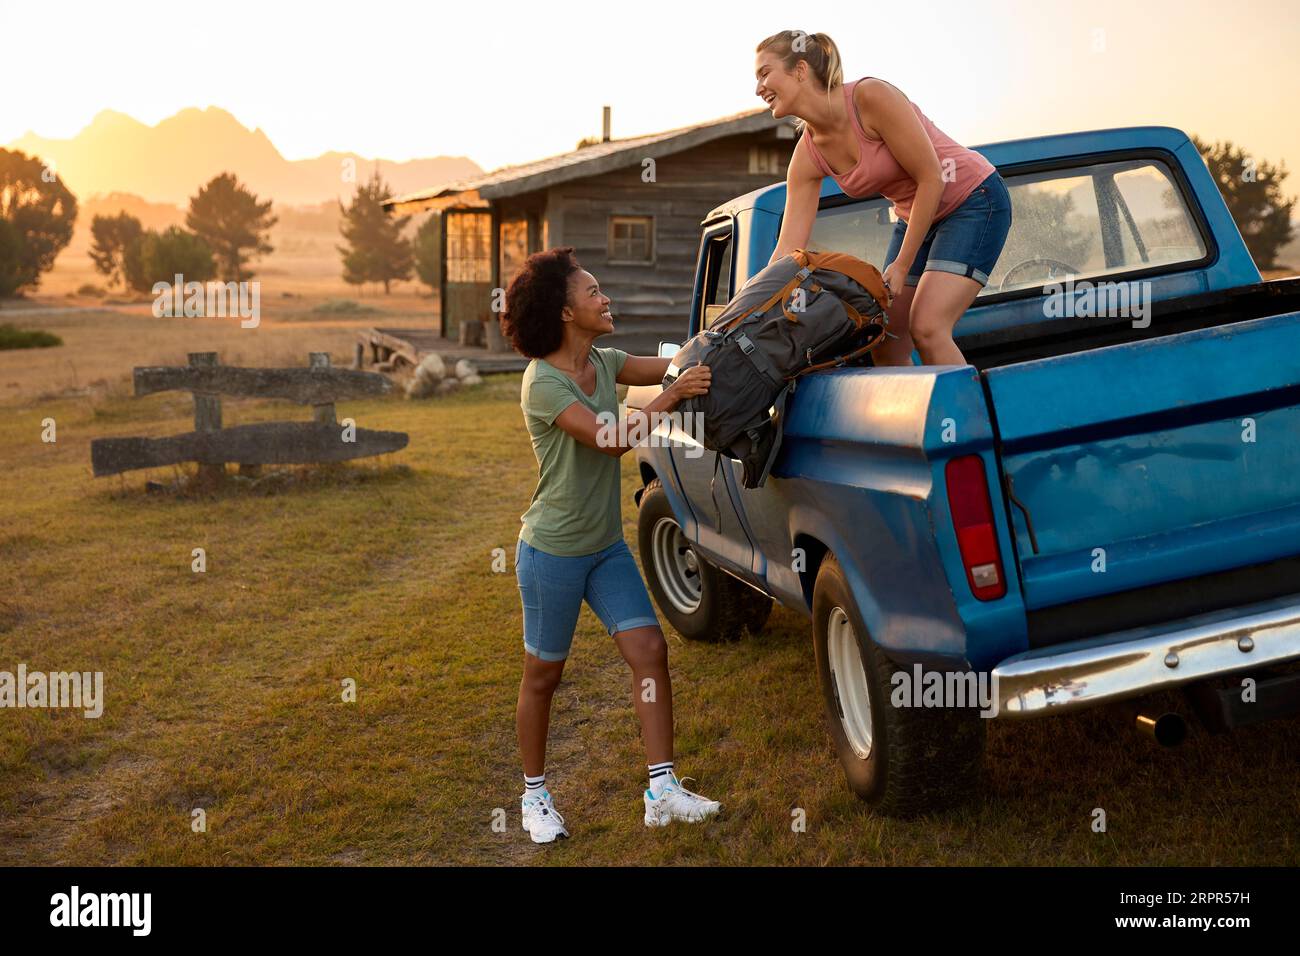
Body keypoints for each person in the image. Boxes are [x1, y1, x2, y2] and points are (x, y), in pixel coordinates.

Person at [502, 246, 723, 843]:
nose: (606, 299)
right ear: (564, 310)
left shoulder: (605, 361)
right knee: (544, 676)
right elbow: (609, 438)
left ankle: (662, 790)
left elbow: (674, 363)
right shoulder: (542, 383)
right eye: (594, 292)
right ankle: (534, 796)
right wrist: (672, 398)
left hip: (605, 548)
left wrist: (720, 339)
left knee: (649, 652)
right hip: (551, 552)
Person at [756, 29, 1013, 366]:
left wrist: (902, 264)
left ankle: (964, 420)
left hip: (973, 200)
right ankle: (915, 419)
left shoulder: (869, 98)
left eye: (764, 73)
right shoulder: (806, 157)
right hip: (915, 217)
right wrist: (751, 304)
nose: (758, 88)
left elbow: (931, 177)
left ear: (800, 70)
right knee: (886, 340)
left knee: (928, 327)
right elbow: (787, 249)